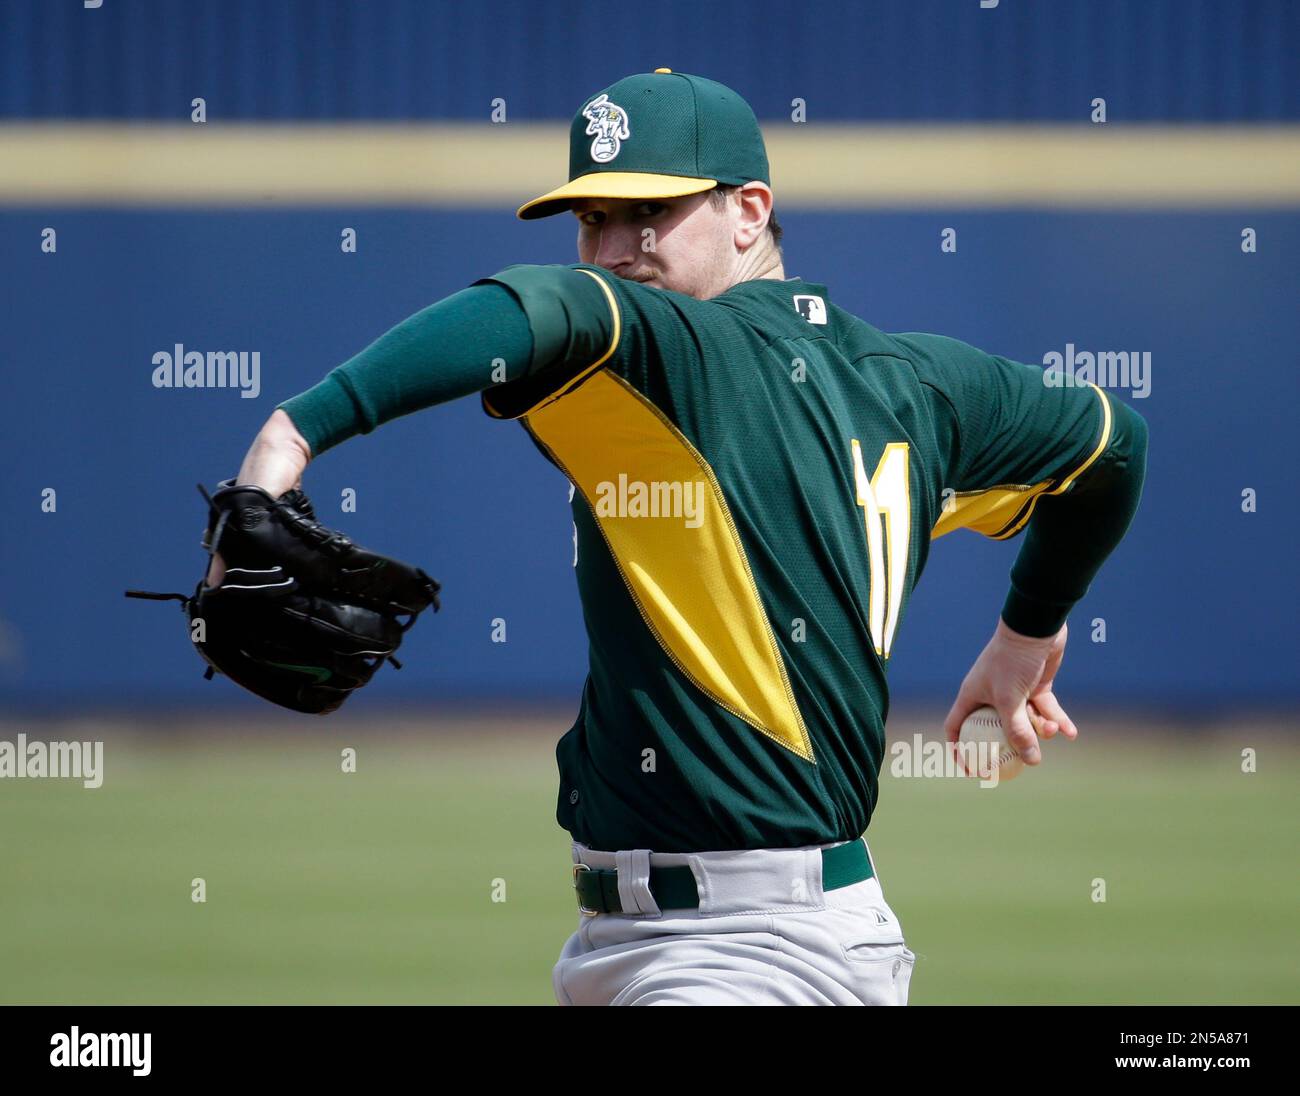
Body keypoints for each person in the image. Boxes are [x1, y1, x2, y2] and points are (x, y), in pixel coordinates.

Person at [207, 70, 1148, 1005]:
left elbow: (535, 307)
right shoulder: (918, 386)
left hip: (747, 954)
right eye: (591, 222)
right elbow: (1111, 445)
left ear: (750, 211)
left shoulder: (681, 353)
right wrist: (1030, 629)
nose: (611, 249)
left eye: (645, 216)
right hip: (695, 941)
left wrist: (293, 435)